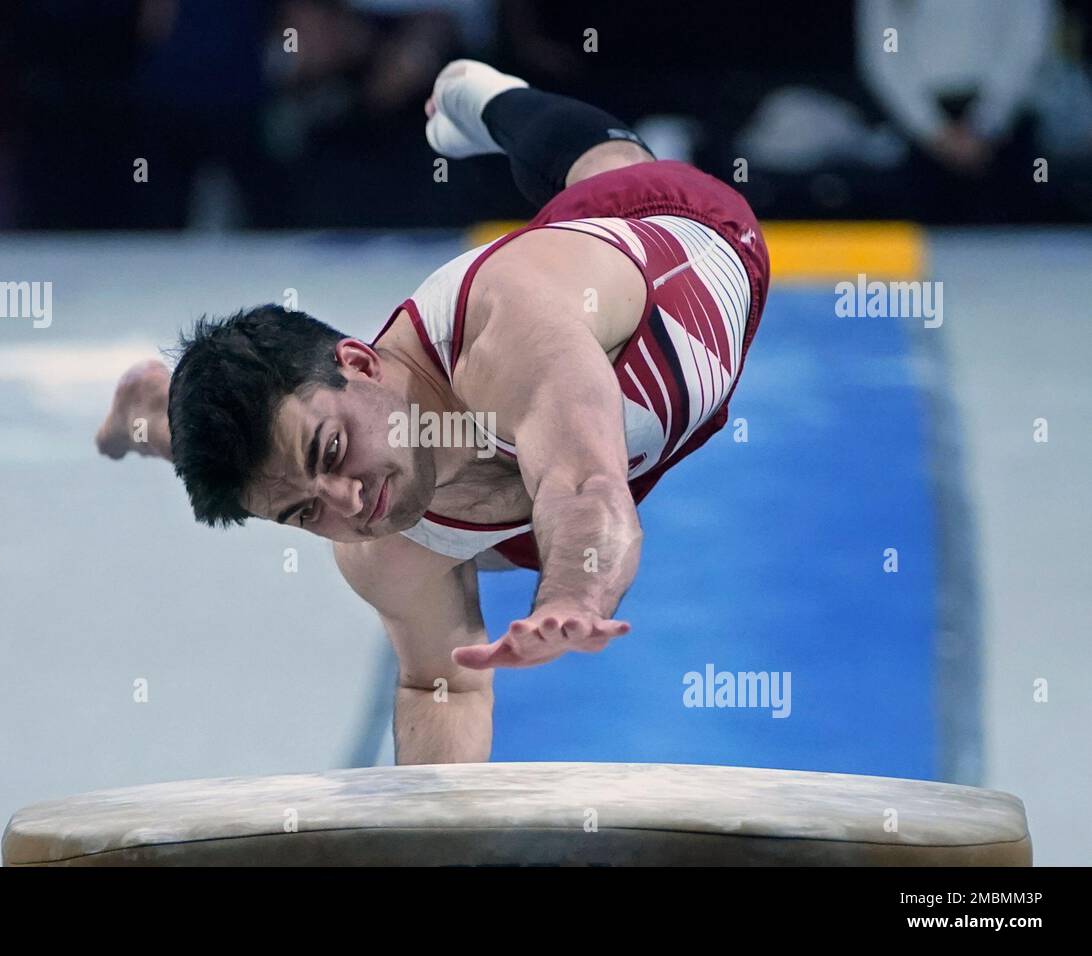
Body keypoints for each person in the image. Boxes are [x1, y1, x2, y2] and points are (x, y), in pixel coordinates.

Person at [95, 60, 771, 763]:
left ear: (357, 363)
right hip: (546, 454)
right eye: (301, 516)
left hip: (670, 232)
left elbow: (583, 491)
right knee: (273, 464)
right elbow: (439, 688)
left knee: (606, 165)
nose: (349, 504)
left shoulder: (505, 329)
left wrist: (572, 596)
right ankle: (162, 413)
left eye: (331, 449)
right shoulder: (377, 546)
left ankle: (482, 98)